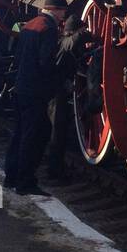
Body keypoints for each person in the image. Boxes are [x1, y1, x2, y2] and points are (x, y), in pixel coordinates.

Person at [3, 0, 68, 195]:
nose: (64, 16)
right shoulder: (48, 29)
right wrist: (61, 76)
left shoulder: (30, 25)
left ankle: (10, 177)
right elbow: (46, 63)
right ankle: (25, 182)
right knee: (35, 136)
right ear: (56, 10)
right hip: (36, 91)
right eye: (63, 12)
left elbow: (19, 55)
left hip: (21, 87)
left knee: (19, 133)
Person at [45, 15, 89, 182]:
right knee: (57, 132)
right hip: (56, 93)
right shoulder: (64, 42)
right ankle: (54, 172)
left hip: (58, 91)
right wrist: (87, 34)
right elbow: (73, 41)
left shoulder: (62, 43)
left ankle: (55, 168)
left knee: (58, 131)